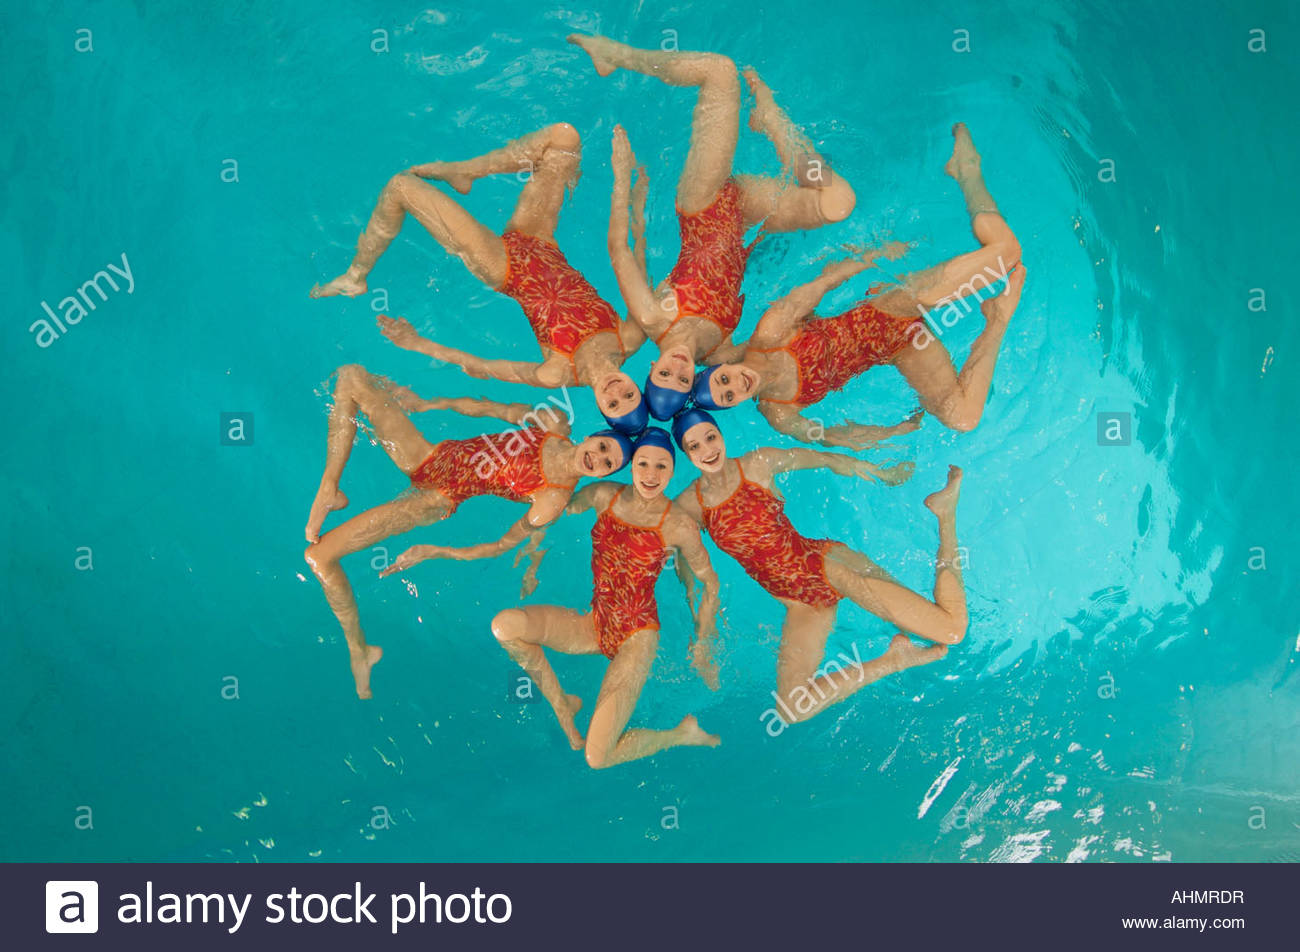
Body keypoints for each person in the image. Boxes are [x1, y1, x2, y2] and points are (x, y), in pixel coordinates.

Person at [570, 32, 857, 419]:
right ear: (694, 383)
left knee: (719, 72)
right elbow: (775, 356)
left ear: (652, 370)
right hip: (742, 219)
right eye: (683, 379)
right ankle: (771, 121)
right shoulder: (721, 353)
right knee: (839, 203)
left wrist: (622, 176)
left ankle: (615, 55)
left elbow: (619, 250)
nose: (679, 367)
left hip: (702, 205)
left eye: (666, 373)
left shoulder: (653, 317)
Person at [303, 363, 631, 698]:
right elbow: (489, 408)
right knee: (351, 375)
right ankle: (330, 486)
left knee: (319, 557)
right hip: (430, 456)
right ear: (593, 437)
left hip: (437, 498)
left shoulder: (552, 500)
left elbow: (500, 545)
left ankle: (359, 649)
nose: (598, 459)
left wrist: (435, 551)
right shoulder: (554, 422)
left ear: (604, 475)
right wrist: (430, 403)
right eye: (603, 448)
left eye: (608, 464)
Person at [311, 121, 650, 433]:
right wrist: (634, 198)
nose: (616, 392)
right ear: (637, 386)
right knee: (566, 138)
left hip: (504, 267)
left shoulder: (558, 372)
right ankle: (464, 172)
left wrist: (417, 343)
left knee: (401, 187)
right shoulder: (630, 337)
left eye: (612, 404)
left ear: (599, 406)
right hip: (541, 239)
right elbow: (637, 266)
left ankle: (356, 276)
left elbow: (484, 366)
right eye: (629, 395)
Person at [691, 124, 1025, 440]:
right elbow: (832, 437)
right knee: (962, 418)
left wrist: (874, 255)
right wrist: (888, 435)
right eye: (728, 396)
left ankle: (967, 172)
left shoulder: (770, 331)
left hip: (890, 306)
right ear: (732, 406)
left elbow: (825, 282)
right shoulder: (779, 414)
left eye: (724, 380)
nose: (736, 385)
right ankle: (996, 320)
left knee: (1006, 252)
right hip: (900, 348)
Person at [455, 428, 723, 768]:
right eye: (643, 464)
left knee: (597, 757)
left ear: (672, 471)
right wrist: (535, 552)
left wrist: (702, 640)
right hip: (594, 623)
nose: (651, 475)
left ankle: (681, 734)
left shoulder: (678, 525)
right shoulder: (602, 495)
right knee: (505, 626)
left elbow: (709, 582)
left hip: (636, 636)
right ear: (631, 465)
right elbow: (556, 510)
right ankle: (562, 703)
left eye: (662, 467)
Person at [672, 409, 958, 726]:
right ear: (686, 453)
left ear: (720, 435)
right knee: (792, 709)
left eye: (710, 437)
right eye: (694, 446)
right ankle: (894, 659)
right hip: (801, 603)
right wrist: (702, 633)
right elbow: (689, 569)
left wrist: (875, 471)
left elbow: (820, 458)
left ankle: (944, 513)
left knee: (949, 629)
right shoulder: (689, 507)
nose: (707, 450)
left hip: (829, 566)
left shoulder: (758, 464)